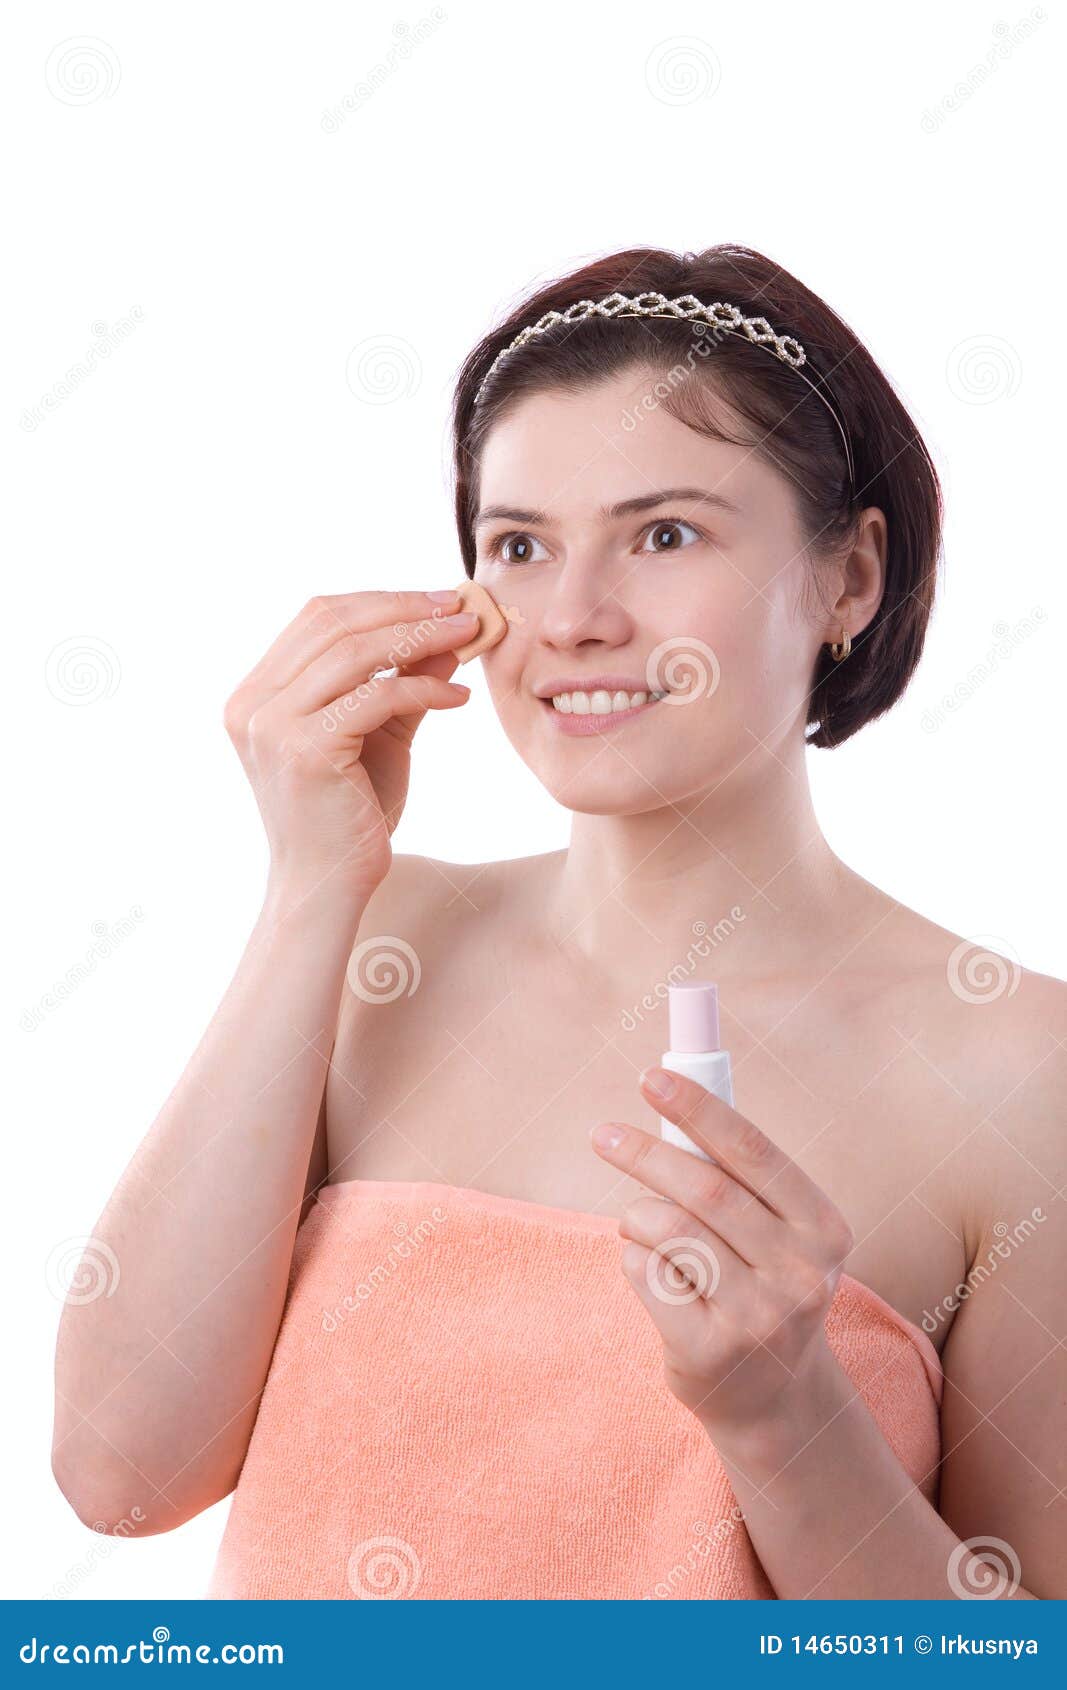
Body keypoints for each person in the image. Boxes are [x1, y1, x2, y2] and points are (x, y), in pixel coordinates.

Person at [52, 245, 1066, 1600]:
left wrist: (782, 1414)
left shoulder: (1021, 1068)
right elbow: (119, 1474)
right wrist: (312, 886)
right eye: (520, 546)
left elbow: (1011, 1662)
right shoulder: (373, 944)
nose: (574, 619)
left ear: (852, 577)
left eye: (663, 534)